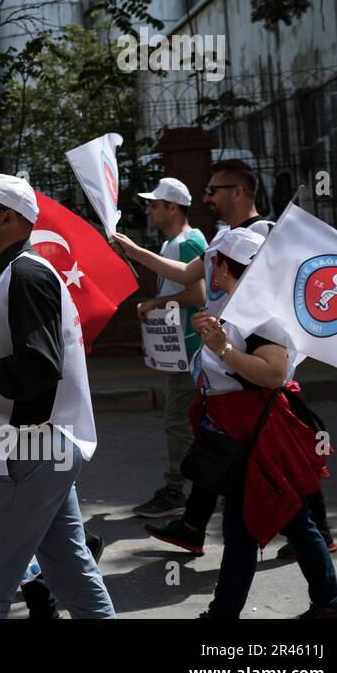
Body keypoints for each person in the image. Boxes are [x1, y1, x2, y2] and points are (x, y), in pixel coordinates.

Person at [114, 159, 335, 556]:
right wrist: (134, 251)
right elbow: (186, 273)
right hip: (223, 357)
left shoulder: (266, 235)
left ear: (238, 192)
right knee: (220, 440)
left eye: (214, 190)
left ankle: (312, 534)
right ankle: (197, 527)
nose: (206, 196)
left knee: (270, 448)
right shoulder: (221, 238)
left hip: (256, 356)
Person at [0, 174, 114, 619]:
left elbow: (39, 366)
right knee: (70, 572)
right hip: (29, 446)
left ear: (7, 217)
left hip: (26, 445)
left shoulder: (25, 275)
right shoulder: (4, 277)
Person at [188, 230, 337, 619]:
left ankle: (224, 613)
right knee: (289, 519)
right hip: (245, 435)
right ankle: (328, 605)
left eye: (215, 264)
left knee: (252, 525)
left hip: (255, 437)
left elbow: (273, 373)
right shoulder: (240, 305)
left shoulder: (258, 313)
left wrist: (221, 347)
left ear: (224, 267)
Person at [129, 178, 207, 519]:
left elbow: (197, 295)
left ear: (172, 207)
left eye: (155, 204)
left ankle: (177, 490)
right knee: (196, 420)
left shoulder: (185, 243)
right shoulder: (181, 241)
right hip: (184, 347)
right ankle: (203, 487)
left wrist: (156, 303)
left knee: (178, 421)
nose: (149, 210)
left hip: (188, 350)